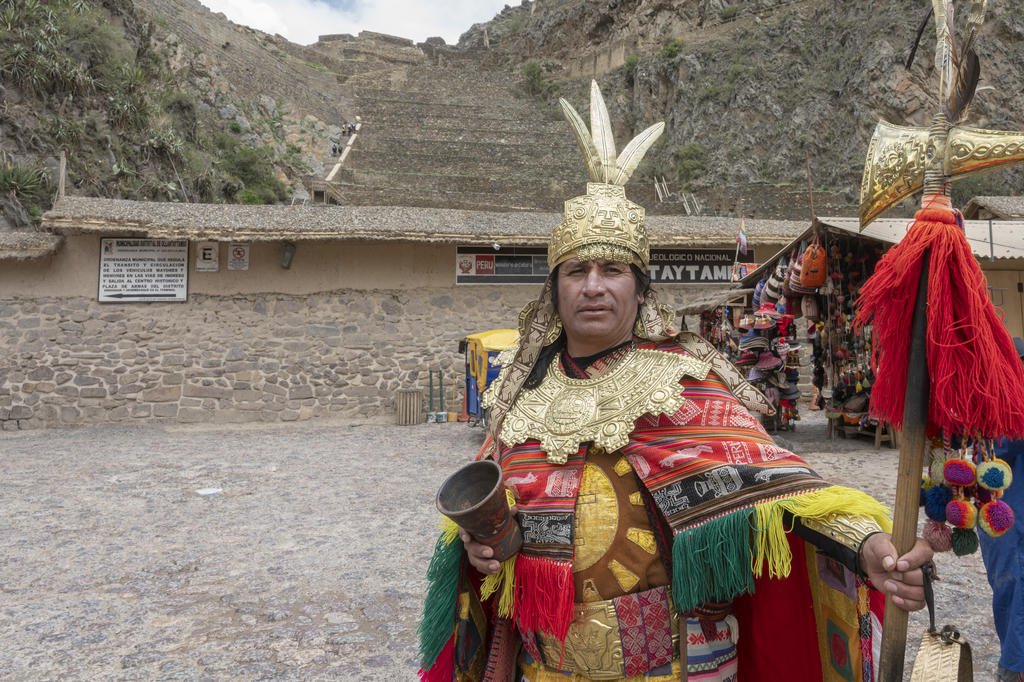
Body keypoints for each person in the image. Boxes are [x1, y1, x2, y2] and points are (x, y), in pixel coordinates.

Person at [418, 82, 932, 682]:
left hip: (676, 666)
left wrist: (868, 545)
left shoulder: (684, 385)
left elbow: (782, 491)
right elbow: (487, 528)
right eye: (577, 270)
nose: (593, 286)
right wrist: (479, 552)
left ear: (640, 291)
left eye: (612, 269)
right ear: (554, 290)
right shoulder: (521, 398)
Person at [979, 337, 1024, 682]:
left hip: (1008, 516)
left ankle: (1014, 665)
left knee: (1013, 589)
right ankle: (1014, 664)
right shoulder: (994, 403)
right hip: (1001, 517)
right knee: (1010, 588)